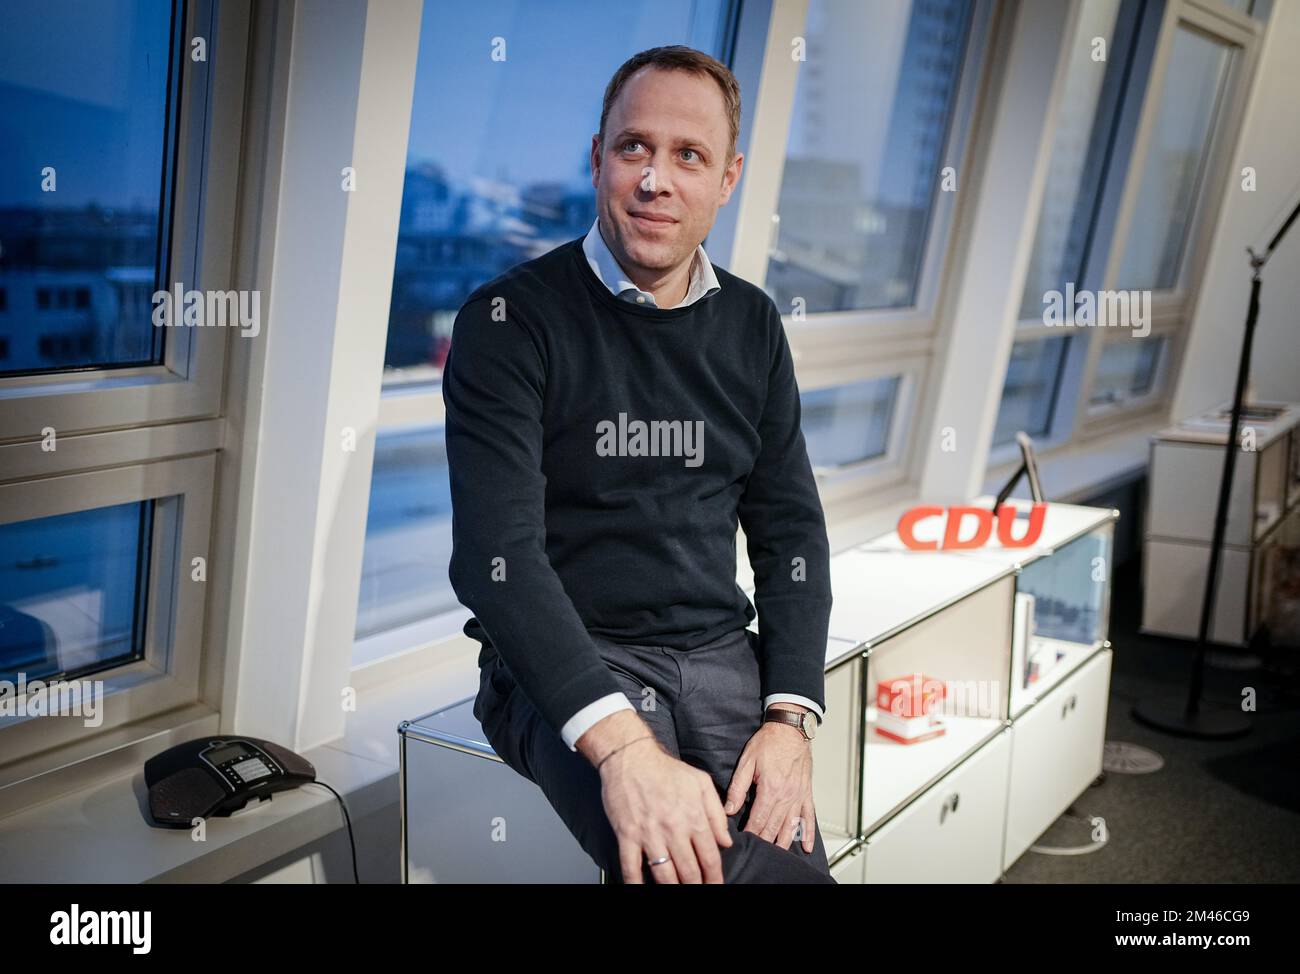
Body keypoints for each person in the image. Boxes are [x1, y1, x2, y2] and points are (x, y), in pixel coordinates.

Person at [444, 45, 835, 884]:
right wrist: (623, 746)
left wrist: (791, 716)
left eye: (688, 156)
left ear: (726, 181)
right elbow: (495, 559)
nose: (656, 180)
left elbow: (790, 527)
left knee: (795, 880)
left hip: (719, 652)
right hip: (571, 656)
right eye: (634, 149)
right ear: (598, 159)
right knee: (687, 872)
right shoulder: (511, 320)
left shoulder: (754, 325)